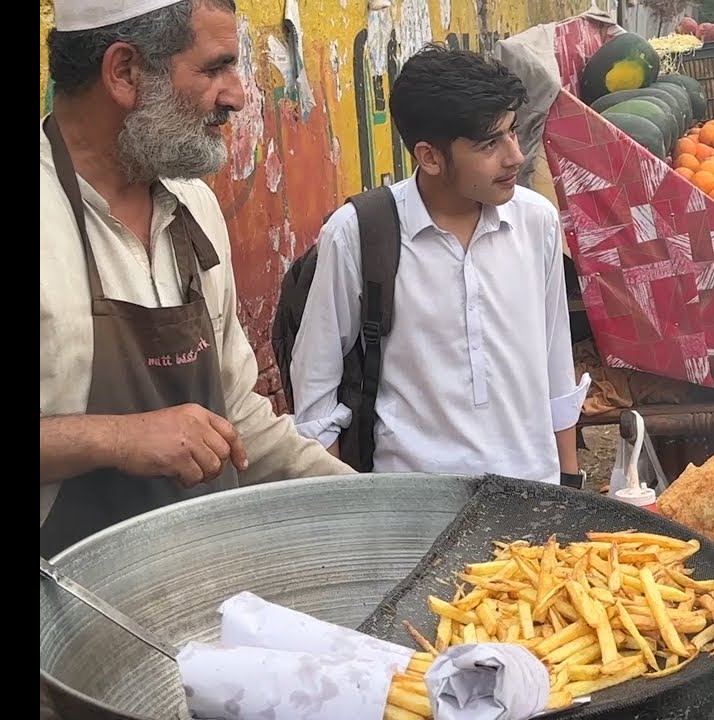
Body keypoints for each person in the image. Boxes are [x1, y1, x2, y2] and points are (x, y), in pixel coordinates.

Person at [38, 0, 355, 559]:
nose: (236, 96)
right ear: (125, 72)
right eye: (214, 68)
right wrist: (118, 438)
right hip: (63, 611)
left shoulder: (194, 205)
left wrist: (370, 501)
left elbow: (235, 414)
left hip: (201, 586)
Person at [289, 45, 589, 487]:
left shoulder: (535, 221)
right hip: (413, 507)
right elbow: (315, 392)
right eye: (490, 143)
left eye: (513, 132)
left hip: (531, 495)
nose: (515, 156)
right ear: (430, 156)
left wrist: (570, 484)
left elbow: (555, 363)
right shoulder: (359, 233)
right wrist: (349, 509)